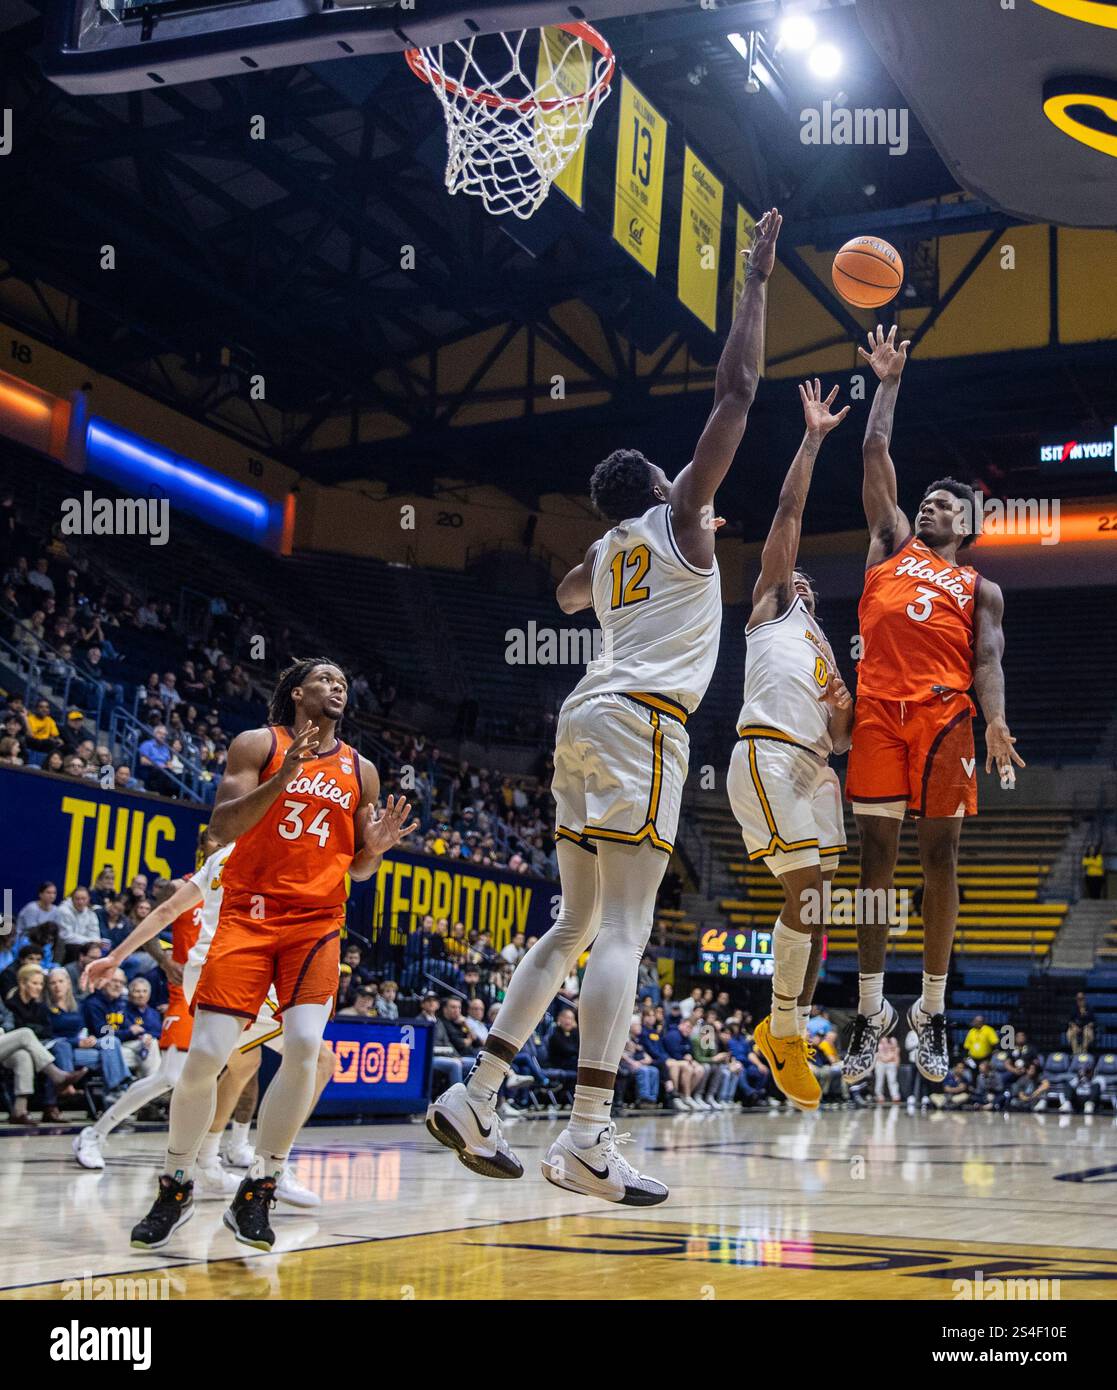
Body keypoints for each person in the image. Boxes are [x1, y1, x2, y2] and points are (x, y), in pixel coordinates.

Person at [427, 209, 783, 1206]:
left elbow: (565, 596)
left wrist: (622, 559)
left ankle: (477, 1092)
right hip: (642, 726)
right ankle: (587, 1135)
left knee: (571, 924)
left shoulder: (603, 552)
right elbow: (738, 389)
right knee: (625, 928)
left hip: (582, 720)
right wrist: (754, 280)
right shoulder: (677, 522)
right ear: (668, 485)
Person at [128, 658, 414, 1252]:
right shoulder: (258, 743)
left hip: (316, 923)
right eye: (326, 679)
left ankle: (261, 1183)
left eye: (343, 682)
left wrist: (377, 850)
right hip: (248, 916)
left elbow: (358, 869)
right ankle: (176, 1181)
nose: (337, 687)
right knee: (206, 1054)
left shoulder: (362, 770)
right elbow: (223, 826)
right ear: (297, 691)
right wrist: (285, 775)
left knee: (307, 1045)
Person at [842, 324, 1024, 1089]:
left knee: (939, 858)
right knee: (873, 861)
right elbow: (873, 455)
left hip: (946, 717)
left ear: (968, 524)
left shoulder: (980, 588)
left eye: (944, 504)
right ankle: (868, 1009)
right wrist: (886, 381)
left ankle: (934, 1010)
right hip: (879, 712)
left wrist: (996, 722)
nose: (928, 506)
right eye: (925, 500)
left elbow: (987, 660)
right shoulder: (888, 543)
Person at [78, 829, 328, 1208]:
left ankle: (217, 1160)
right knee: (175, 1076)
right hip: (205, 981)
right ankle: (96, 1135)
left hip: (234, 980)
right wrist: (153, 961)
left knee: (246, 1065)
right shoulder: (204, 873)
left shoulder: (253, 864)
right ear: (204, 845)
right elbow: (162, 915)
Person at [725, 379, 853, 1109]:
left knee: (821, 903)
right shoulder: (771, 609)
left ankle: (791, 1027)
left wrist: (855, 693)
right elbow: (789, 510)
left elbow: (840, 737)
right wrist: (810, 439)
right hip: (768, 751)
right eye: (791, 571)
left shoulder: (824, 653)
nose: (797, 575)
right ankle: (779, 1030)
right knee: (804, 892)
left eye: (805, 578)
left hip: (813, 768)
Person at [0, 970, 87, 1123]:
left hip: (4, 1042)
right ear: (22, 984)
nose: (39, 987)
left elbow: (7, 1020)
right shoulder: (13, 1003)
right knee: (26, 1034)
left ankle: (19, 1111)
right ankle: (58, 1076)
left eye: (41, 984)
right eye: (35, 983)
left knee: (23, 1056)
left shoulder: (37, 1006)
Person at [874, 1033, 901, 1104]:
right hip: (880, 1062)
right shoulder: (879, 1039)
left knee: (892, 1080)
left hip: (890, 1062)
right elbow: (876, 1052)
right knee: (879, 1080)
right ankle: (879, 1095)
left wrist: (896, 1062)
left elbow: (896, 1051)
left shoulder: (893, 1039)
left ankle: (895, 1096)